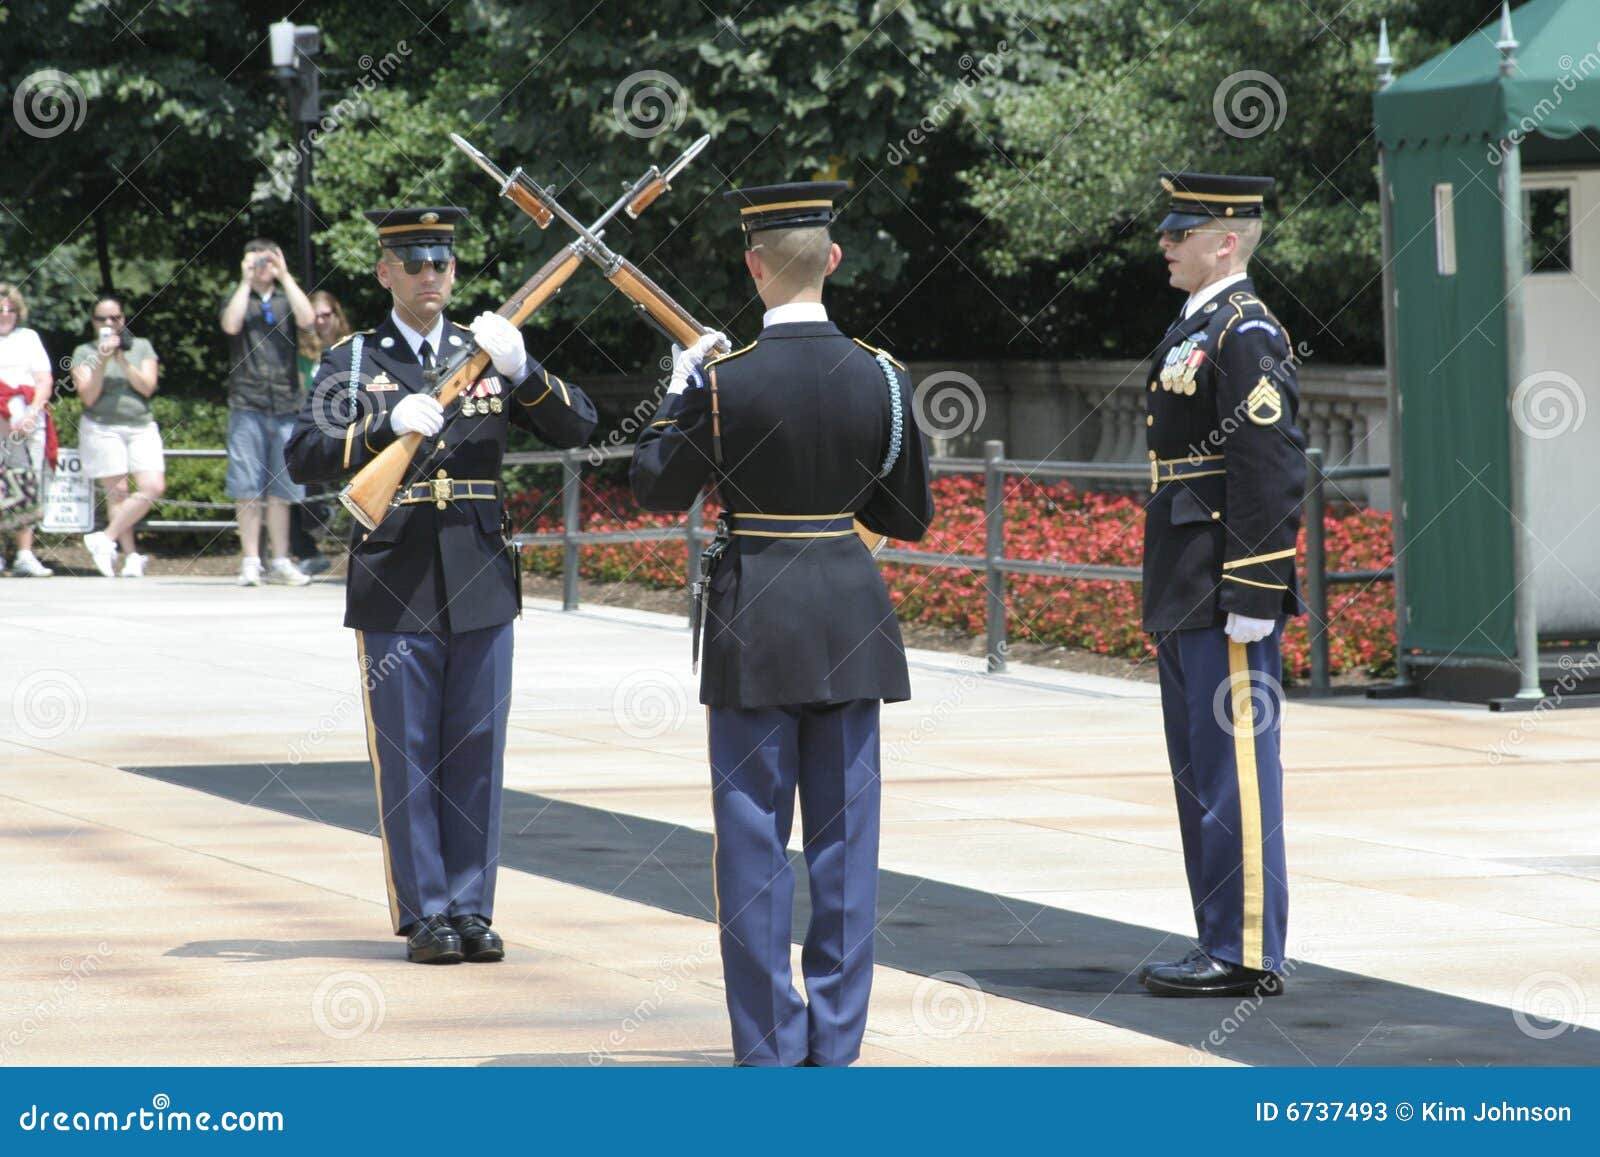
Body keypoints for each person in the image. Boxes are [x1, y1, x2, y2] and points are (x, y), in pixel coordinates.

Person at [631, 182, 933, 1066]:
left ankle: (766, 1041)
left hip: (754, 615)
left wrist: (679, 388)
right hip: (848, 614)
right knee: (845, 845)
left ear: (755, 265)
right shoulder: (883, 374)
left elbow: (654, 486)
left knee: (753, 847)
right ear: (832, 260)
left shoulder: (723, 384)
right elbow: (907, 513)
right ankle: (834, 1042)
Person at [285, 205, 597, 965]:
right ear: (385, 271)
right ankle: (425, 911)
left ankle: (470, 906)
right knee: (408, 747)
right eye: (414, 263)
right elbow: (302, 453)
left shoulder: (486, 351)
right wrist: (380, 429)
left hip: (480, 571)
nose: (431, 276)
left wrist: (524, 369)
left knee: (477, 746)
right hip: (397, 575)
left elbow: (581, 428)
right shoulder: (356, 361)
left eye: (442, 264)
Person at [1137, 172, 1307, 999]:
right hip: (1187, 575)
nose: (1165, 244)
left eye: (1181, 232)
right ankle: (1220, 936)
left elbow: (1271, 467)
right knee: (1203, 771)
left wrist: (1253, 588)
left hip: (1220, 583)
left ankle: (1245, 950)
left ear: (1225, 241)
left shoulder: (1246, 332)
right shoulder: (1200, 324)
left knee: (1235, 770)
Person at [219, 238, 314, 586]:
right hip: (247, 401)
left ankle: (279, 559)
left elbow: (308, 321)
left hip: (286, 402)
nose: (262, 266)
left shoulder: (286, 297)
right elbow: (230, 325)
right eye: (256, 260)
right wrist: (245, 282)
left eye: (267, 259)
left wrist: (285, 275)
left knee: (281, 489)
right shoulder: (237, 297)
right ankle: (250, 560)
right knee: (247, 485)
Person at [71, 294, 164, 578]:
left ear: (124, 319)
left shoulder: (142, 347)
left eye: (116, 318)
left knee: (153, 486)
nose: (110, 323)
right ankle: (131, 556)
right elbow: (88, 396)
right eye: (103, 319)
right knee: (119, 492)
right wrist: (101, 359)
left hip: (140, 424)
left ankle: (105, 538)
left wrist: (121, 360)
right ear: (93, 322)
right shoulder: (82, 351)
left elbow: (148, 387)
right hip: (102, 426)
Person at [287, 290, 351, 576]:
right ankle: (306, 544)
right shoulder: (302, 354)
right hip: (314, 426)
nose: (322, 322)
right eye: (317, 317)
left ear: (337, 315)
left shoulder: (353, 348)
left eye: (328, 315)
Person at [0, 282, 55, 577]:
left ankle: (24, 553)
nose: (5, 314)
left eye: (11, 309)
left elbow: (44, 380)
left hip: (29, 421)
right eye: (0, 309)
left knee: (27, 485)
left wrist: (32, 414)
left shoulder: (29, 338)